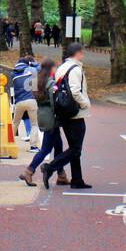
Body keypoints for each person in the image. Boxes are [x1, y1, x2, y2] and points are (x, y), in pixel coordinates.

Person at [42, 42, 91, 190]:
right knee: (75, 149)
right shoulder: (75, 69)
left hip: (64, 112)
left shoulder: (62, 67)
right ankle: (50, 167)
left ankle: (77, 179)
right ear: (78, 53)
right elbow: (75, 91)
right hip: (74, 113)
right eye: (82, 52)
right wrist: (85, 104)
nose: (83, 54)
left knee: (74, 147)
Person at [19, 59, 67, 186]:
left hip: (42, 115)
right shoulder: (51, 83)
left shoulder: (36, 82)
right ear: (51, 69)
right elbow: (54, 102)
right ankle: (29, 171)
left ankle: (61, 175)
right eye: (55, 68)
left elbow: (29, 89)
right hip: (51, 118)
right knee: (45, 149)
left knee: (58, 146)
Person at [10, 53, 40, 149]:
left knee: (15, 123)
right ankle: (33, 146)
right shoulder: (32, 71)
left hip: (19, 102)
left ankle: (10, 143)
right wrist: (32, 63)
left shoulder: (13, 74)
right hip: (31, 100)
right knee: (34, 124)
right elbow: (40, 66)